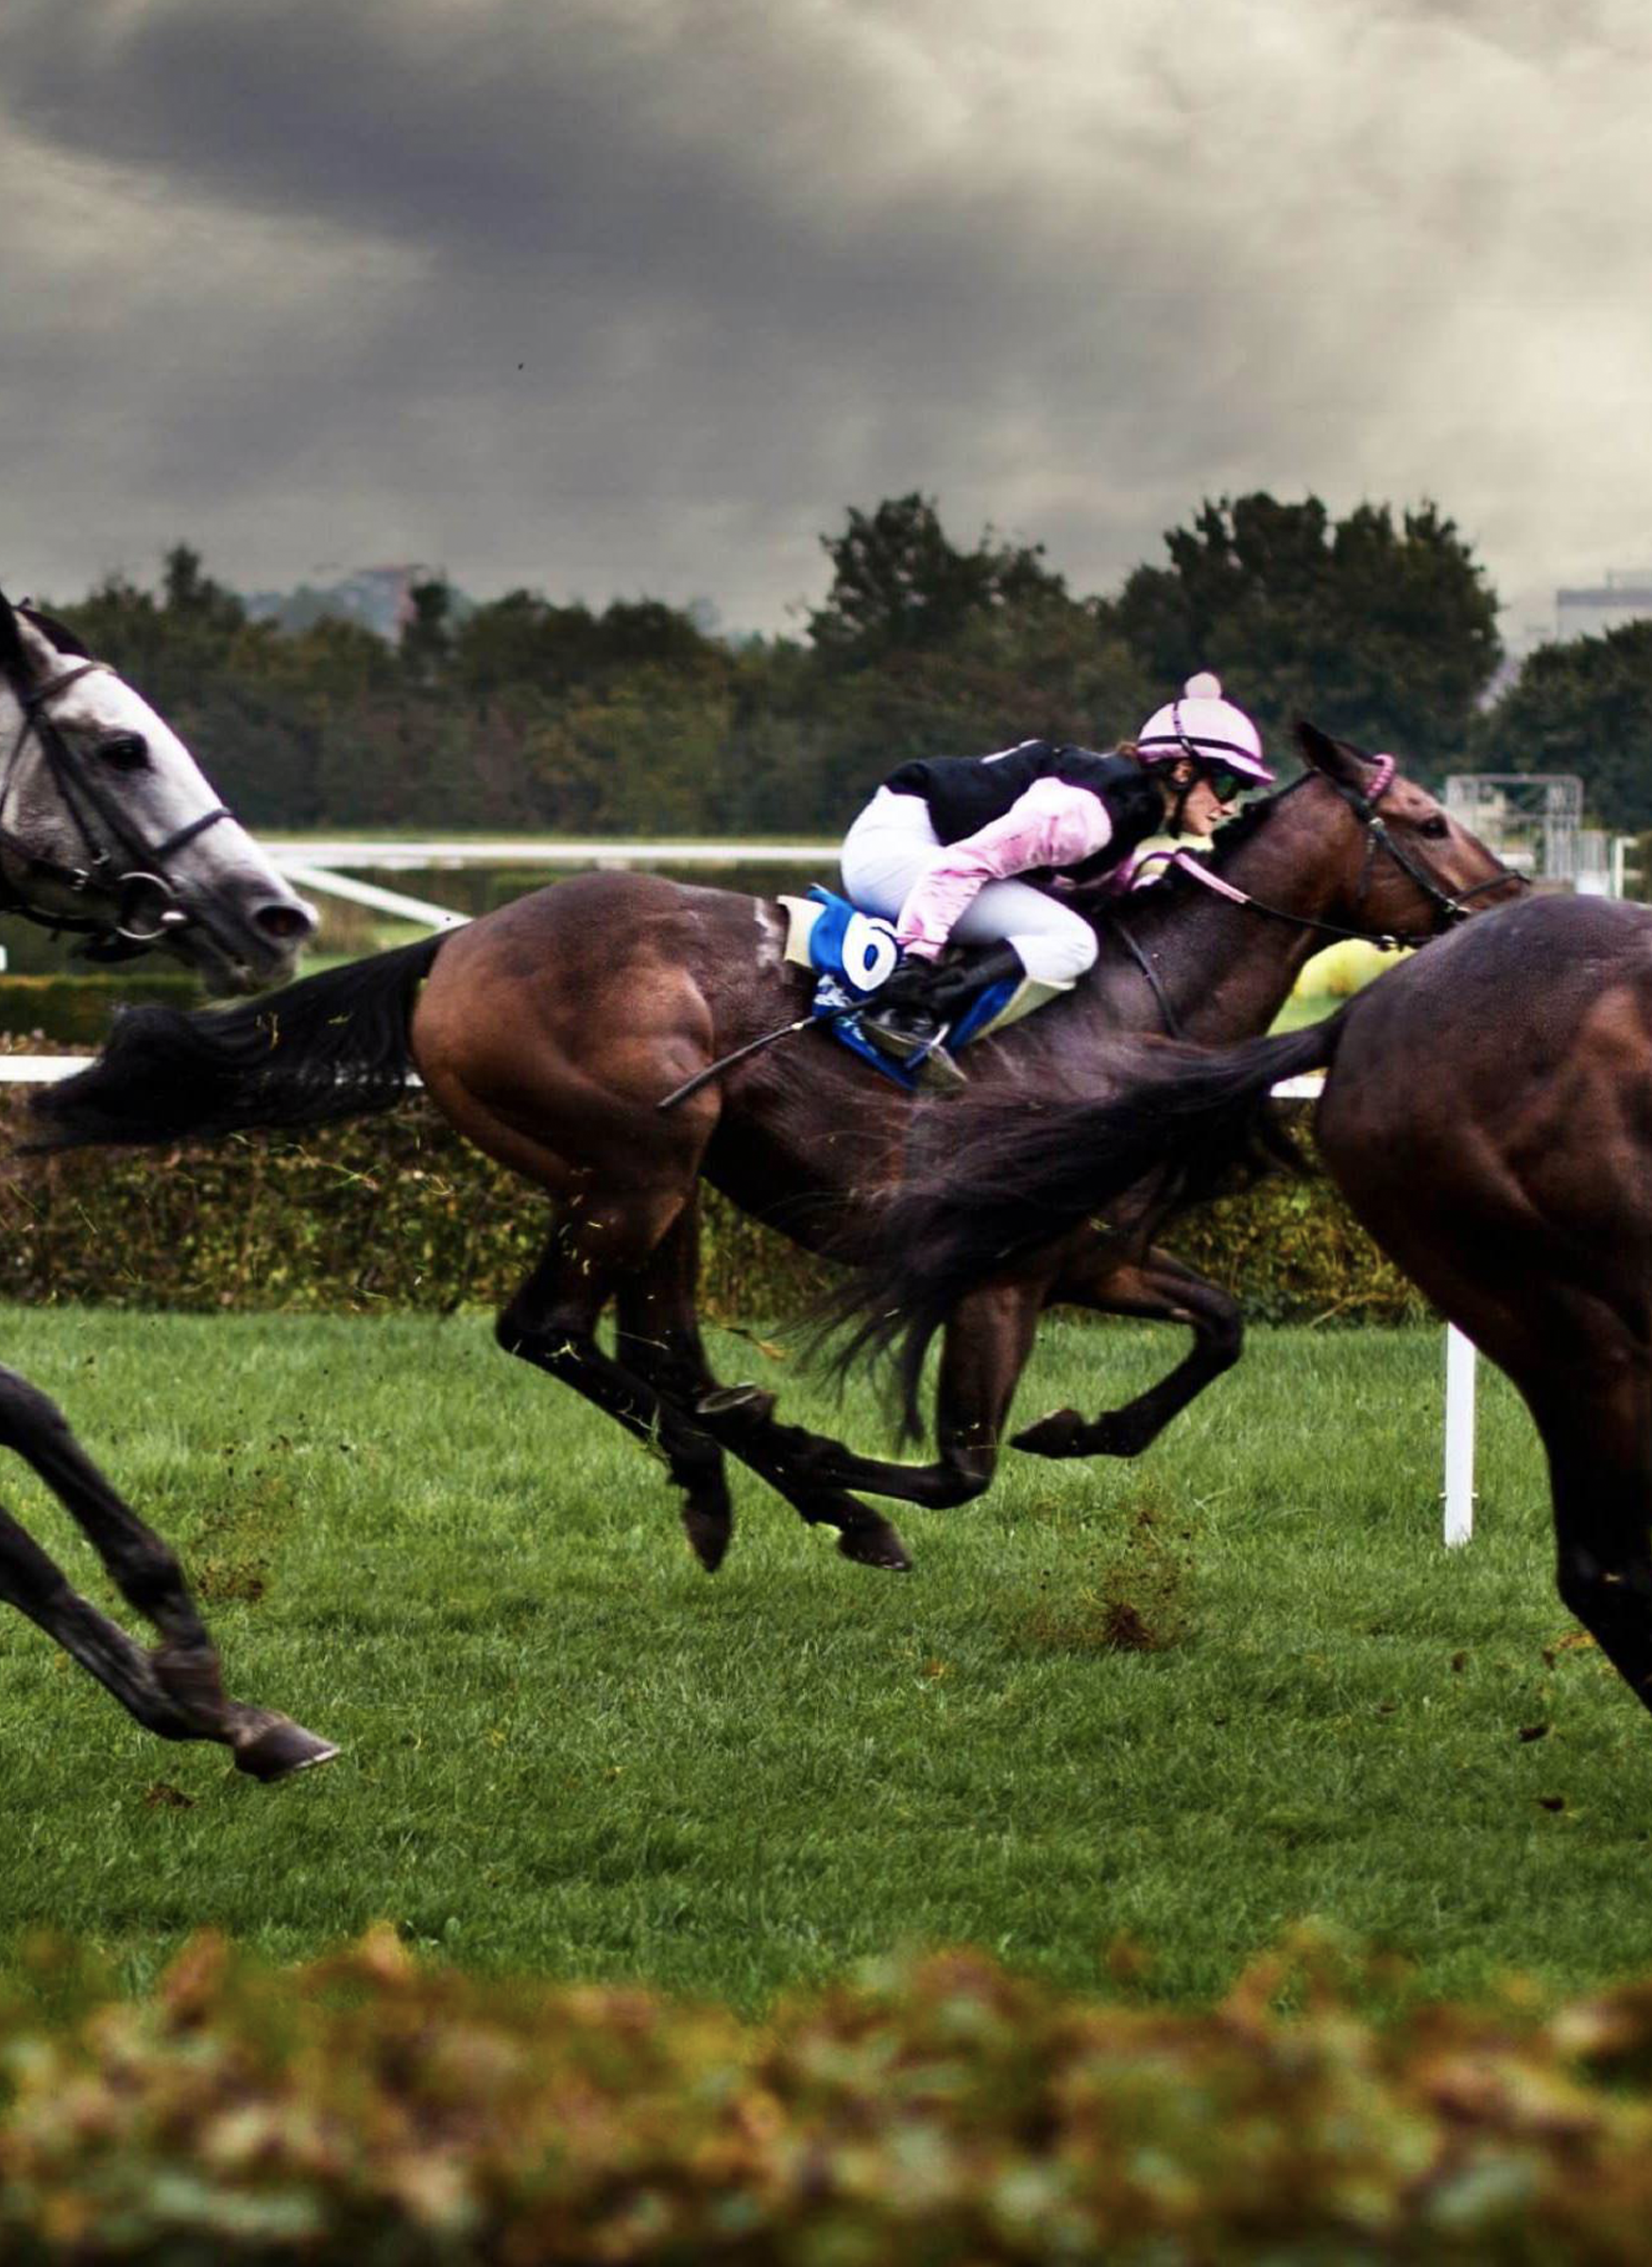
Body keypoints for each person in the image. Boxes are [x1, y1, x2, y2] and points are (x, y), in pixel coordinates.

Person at [839, 673, 1271, 1083]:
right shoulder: (1084, 813)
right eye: (1227, 785)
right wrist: (916, 960)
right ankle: (906, 1014)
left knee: (1066, 928)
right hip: (896, 850)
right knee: (1072, 941)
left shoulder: (1132, 808)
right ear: (1182, 771)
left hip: (922, 846)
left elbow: (1101, 884)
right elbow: (961, 865)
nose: (1230, 806)